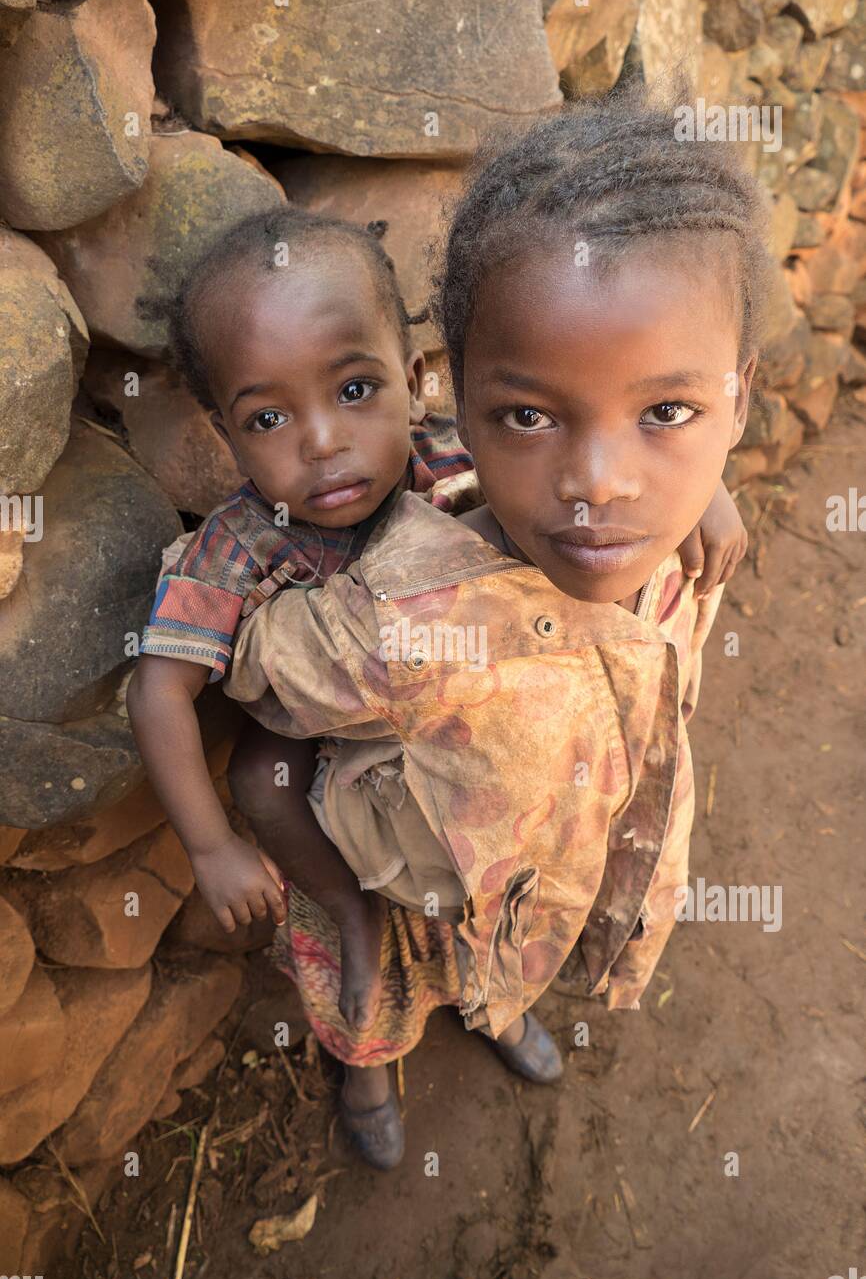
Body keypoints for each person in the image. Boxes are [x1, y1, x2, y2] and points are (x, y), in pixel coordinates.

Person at [220, 81, 770, 1169]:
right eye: (528, 415)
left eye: (665, 412)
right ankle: (366, 1069)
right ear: (456, 405)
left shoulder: (686, 544)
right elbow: (259, 694)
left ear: (736, 402)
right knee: (378, 988)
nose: (600, 484)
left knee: (509, 956)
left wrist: (707, 489)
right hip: (410, 885)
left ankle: (499, 1010)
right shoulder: (406, 616)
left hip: (548, 858)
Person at [126, 194, 745, 1073]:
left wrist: (705, 492)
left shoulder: (457, 456)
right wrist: (210, 845)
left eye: (354, 390)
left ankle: (498, 1009)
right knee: (262, 780)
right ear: (225, 433)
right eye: (268, 419)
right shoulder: (237, 544)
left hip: (466, 748)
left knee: (492, 901)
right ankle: (360, 994)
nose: (323, 442)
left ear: (415, 379)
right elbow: (158, 687)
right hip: (338, 756)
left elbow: (588, 455)